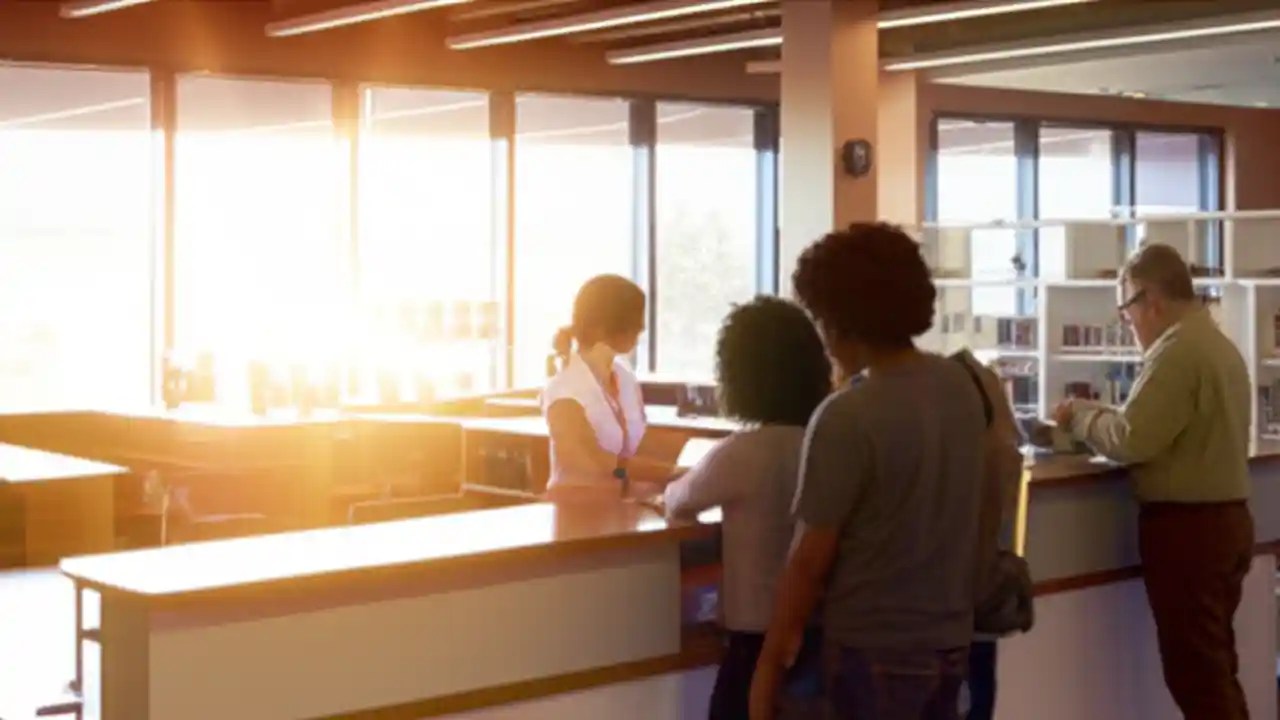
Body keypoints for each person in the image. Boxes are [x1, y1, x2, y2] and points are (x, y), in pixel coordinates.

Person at [750, 223, 988, 720]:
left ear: (839, 320)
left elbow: (809, 560)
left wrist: (769, 666)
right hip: (950, 639)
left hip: (871, 647)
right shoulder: (962, 387)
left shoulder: (847, 415)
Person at [1053, 243, 1253, 720]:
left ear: (1150, 300)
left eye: (1127, 313)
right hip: (1226, 523)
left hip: (1189, 534)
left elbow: (1131, 438)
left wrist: (1079, 418)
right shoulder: (1216, 346)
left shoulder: (1177, 353)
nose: (1130, 326)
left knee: (1198, 679)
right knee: (1215, 671)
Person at [662, 296, 833, 720]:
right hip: (820, 635)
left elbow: (678, 499)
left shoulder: (743, 452)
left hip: (754, 639)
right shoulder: (827, 444)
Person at [542, 274, 671, 499]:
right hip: (577, 508)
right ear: (604, 326)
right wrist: (670, 474)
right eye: (635, 320)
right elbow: (599, 464)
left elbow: (637, 449)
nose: (642, 328)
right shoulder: (563, 389)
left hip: (625, 504)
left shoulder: (625, 377)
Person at [953, 351, 1025, 720]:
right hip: (985, 597)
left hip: (947, 604)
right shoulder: (1002, 452)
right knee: (980, 691)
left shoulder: (950, 462)